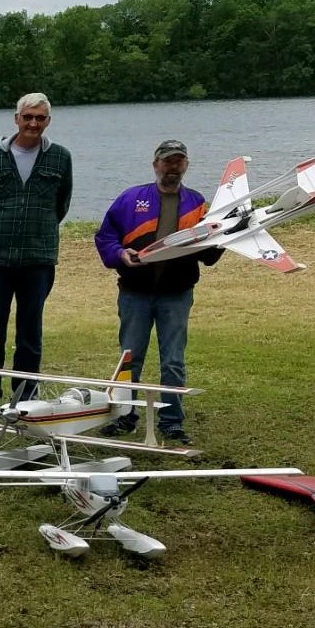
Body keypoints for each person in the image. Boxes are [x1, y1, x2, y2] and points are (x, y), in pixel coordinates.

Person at [93, 140, 222, 444]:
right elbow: (105, 237)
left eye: (178, 161)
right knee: (130, 357)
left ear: (186, 165)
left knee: (173, 361)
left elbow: (210, 254)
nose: (172, 167)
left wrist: (226, 234)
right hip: (135, 293)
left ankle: (172, 421)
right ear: (155, 165)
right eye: (167, 161)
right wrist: (120, 254)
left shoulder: (198, 204)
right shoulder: (130, 199)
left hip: (176, 294)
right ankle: (123, 416)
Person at [0, 93, 73, 417]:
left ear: (48, 121)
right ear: (16, 118)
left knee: (30, 333)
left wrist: (35, 231)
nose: (33, 123)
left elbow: (61, 205)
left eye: (40, 118)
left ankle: (25, 400)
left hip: (37, 260)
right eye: (27, 117)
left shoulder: (60, 158)